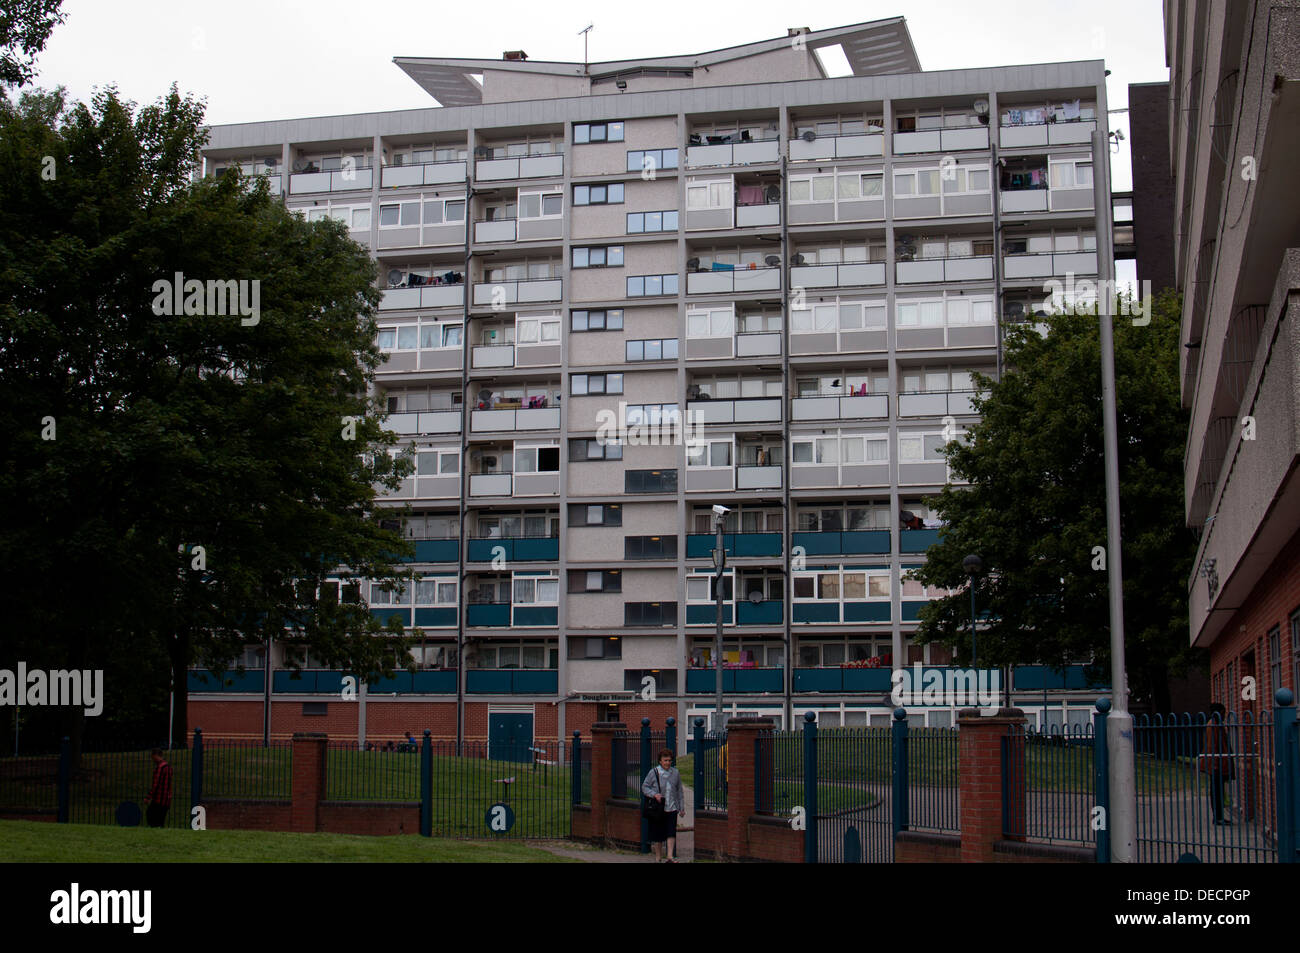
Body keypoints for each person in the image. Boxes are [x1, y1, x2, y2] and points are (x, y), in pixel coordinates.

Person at [641, 748, 685, 862]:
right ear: (660, 761)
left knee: (671, 832)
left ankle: (669, 856)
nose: (668, 763)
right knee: (658, 834)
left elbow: (679, 791)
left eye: (669, 760)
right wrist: (654, 794)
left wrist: (681, 807)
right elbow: (644, 787)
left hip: (672, 807)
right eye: (665, 760)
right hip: (659, 808)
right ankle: (658, 856)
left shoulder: (675, 773)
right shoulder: (654, 772)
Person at [1202, 703, 1234, 825]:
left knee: (1219, 791)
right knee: (1217, 792)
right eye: (1223, 712)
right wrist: (1215, 764)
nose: (1224, 715)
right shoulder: (1213, 725)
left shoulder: (1216, 724)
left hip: (1219, 763)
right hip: (1217, 765)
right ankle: (1218, 817)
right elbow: (1212, 746)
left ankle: (1219, 816)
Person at [146, 747, 173, 828]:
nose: (152, 759)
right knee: (161, 820)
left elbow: (156, 784)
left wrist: (148, 797)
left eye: (152, 757)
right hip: (166, 799)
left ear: (156, 755)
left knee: (150, 815)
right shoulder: (168, 767)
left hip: (158, 798)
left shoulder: (160, 768)